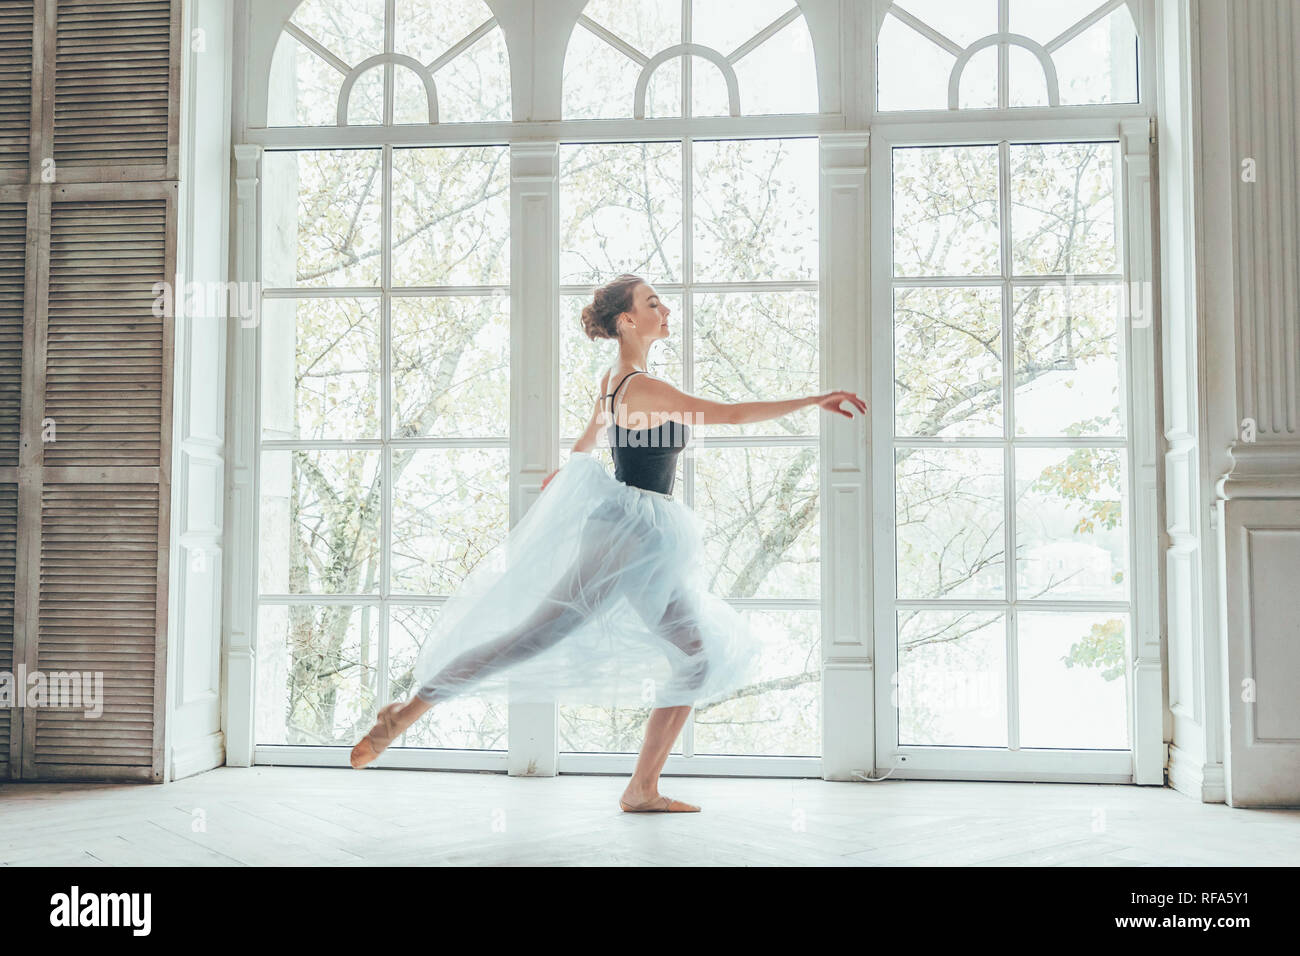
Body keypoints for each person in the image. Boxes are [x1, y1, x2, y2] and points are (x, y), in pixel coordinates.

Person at [350, 273, 866, 812]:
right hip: (631, 535)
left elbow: (595, 429)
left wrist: (568, 469)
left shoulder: (618, 379)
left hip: (646, 537)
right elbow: (730, 414)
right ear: (627, 320)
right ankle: (403, 715)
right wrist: (814, 399)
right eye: (652, 302)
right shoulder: (642, 387)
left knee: (696, 658)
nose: (664, 309)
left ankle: (642, 788)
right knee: (533, 638)